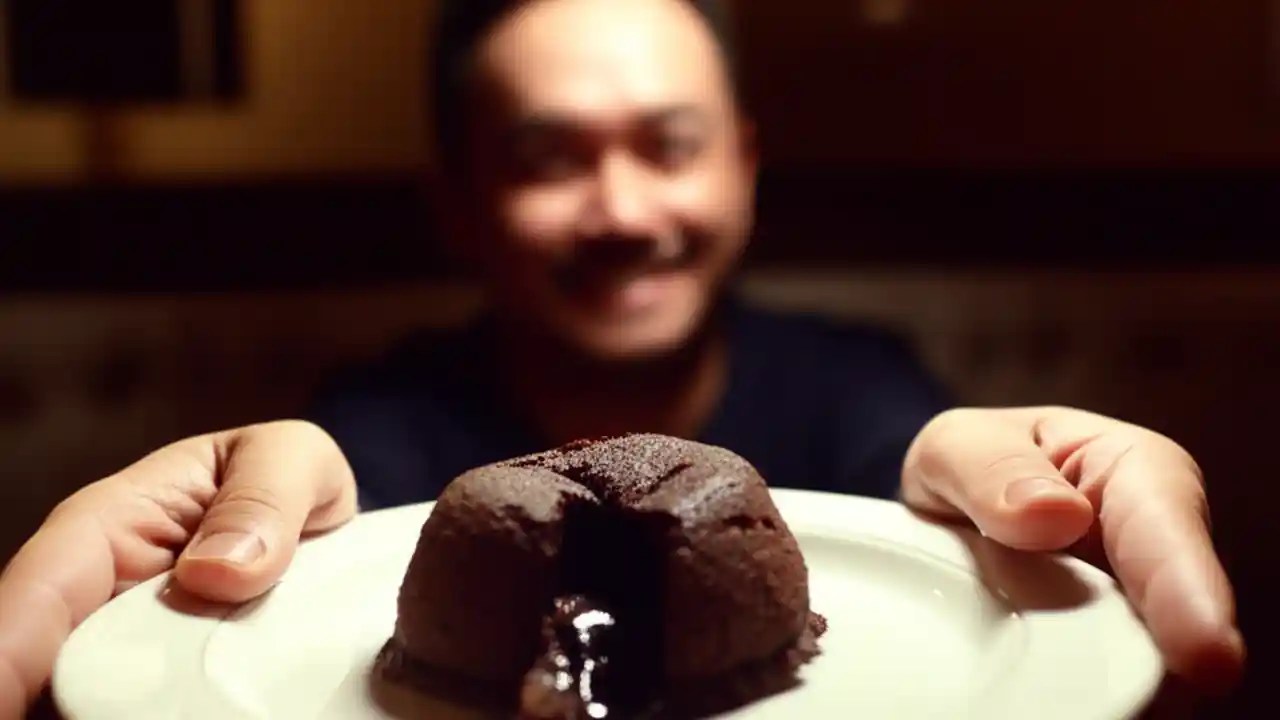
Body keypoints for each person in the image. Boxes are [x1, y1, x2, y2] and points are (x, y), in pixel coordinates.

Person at [0, 0, 1244, 716]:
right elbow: (337, 492)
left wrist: (1008, 490)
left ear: (743, 167)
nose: (624, 209)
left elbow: (918, 471)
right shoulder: (379, 430)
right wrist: (241, 533)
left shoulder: (858, 390)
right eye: (549, 158)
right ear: (459, 202)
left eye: (670, 143)